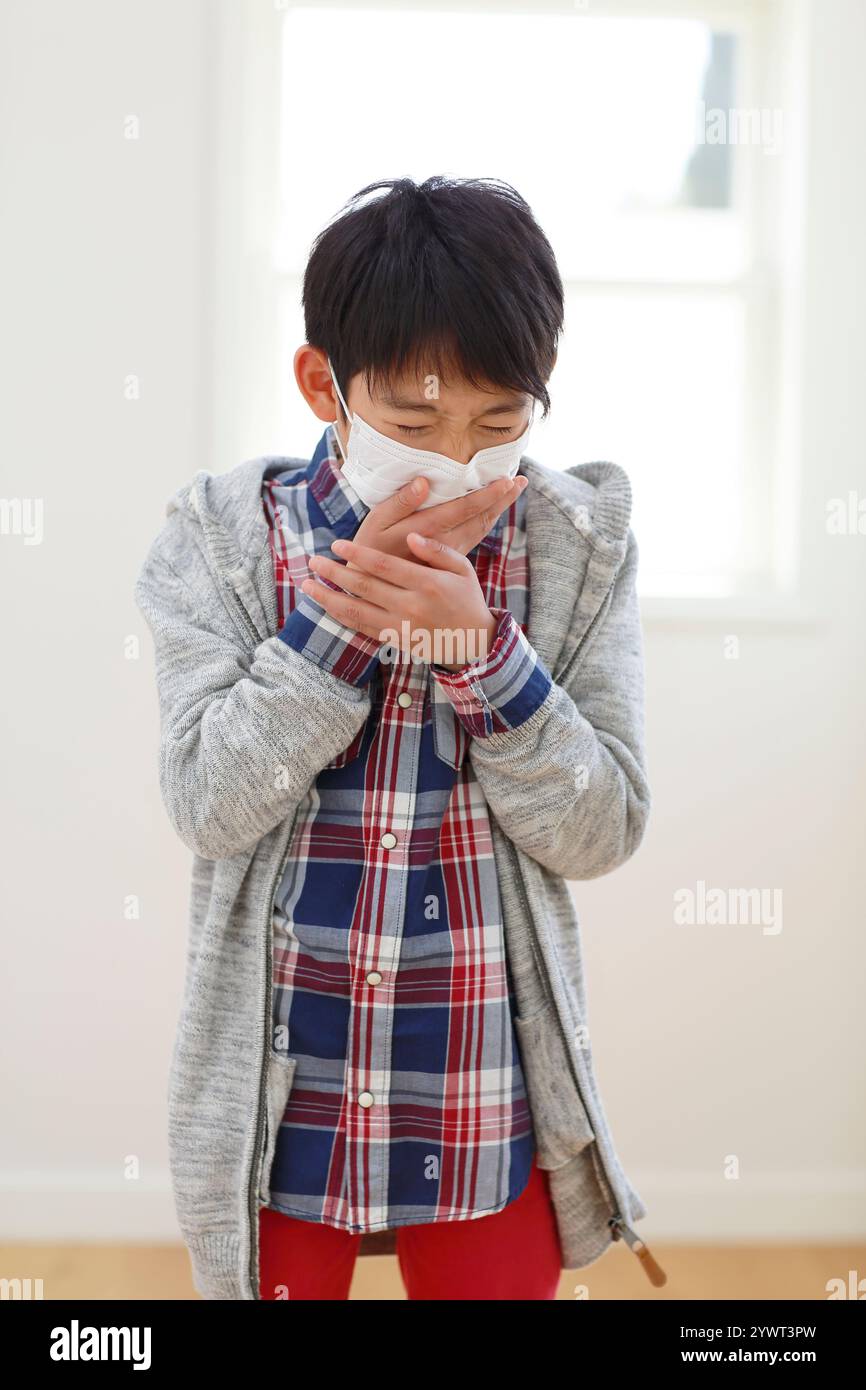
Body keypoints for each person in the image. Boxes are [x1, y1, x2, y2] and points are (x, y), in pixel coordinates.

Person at [134, 175, 660, 1301]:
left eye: (499, 425)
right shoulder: (222, 540)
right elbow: (207, 802)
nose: (456, 461)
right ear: (322, 383)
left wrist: (485, 660)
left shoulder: (575, 547)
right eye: (413, 425)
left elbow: (602, 827)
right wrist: (340, 623)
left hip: (479, 1084)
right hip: (283, 1101)